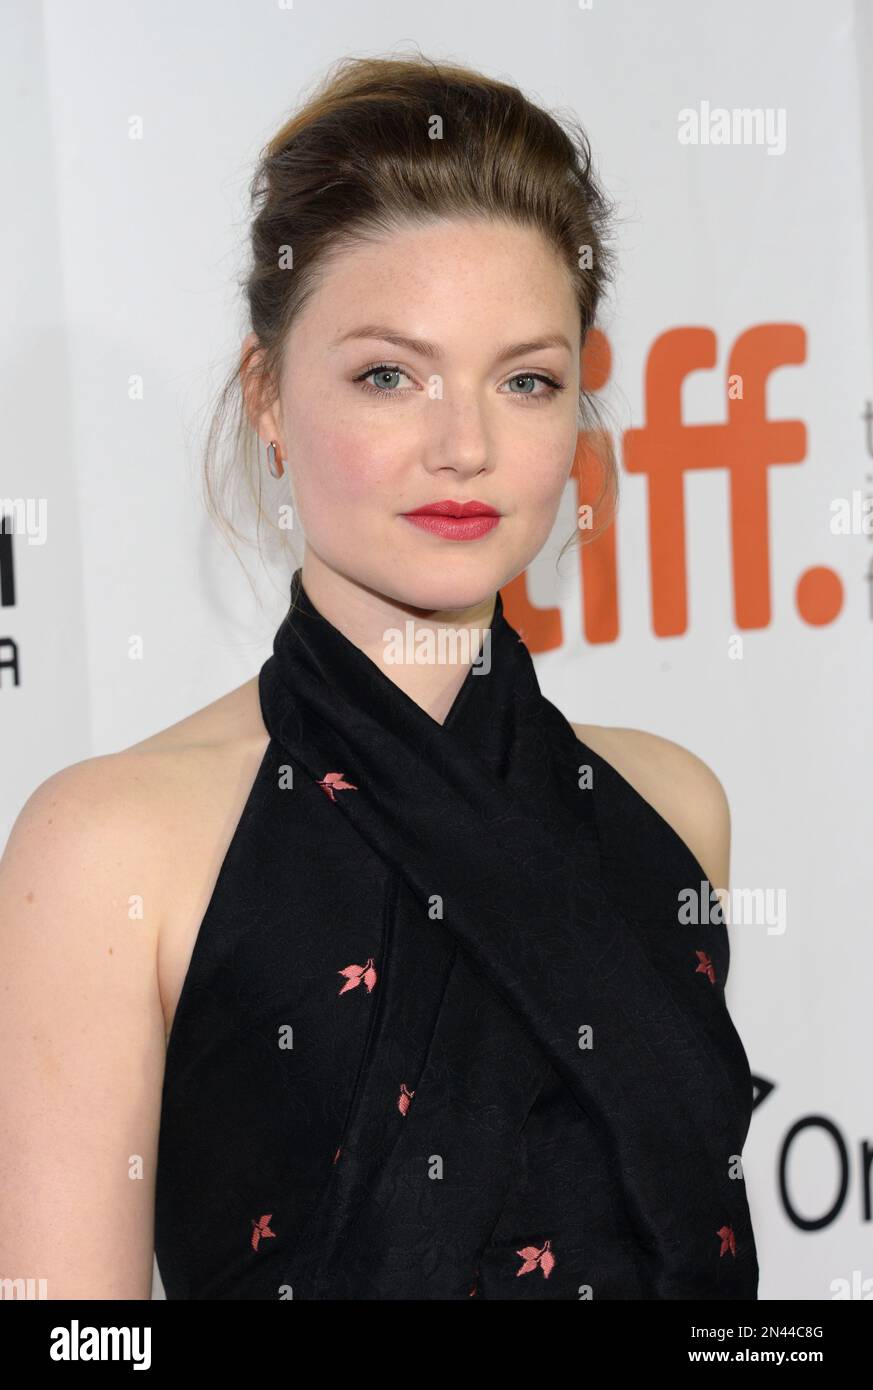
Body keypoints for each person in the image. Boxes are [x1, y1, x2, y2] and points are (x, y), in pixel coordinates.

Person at [0, 52, 758, 1300]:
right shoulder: (110, 849)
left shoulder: (674, 811)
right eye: (388, 375)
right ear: (270, 399)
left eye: (527, 380)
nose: (464, 445)